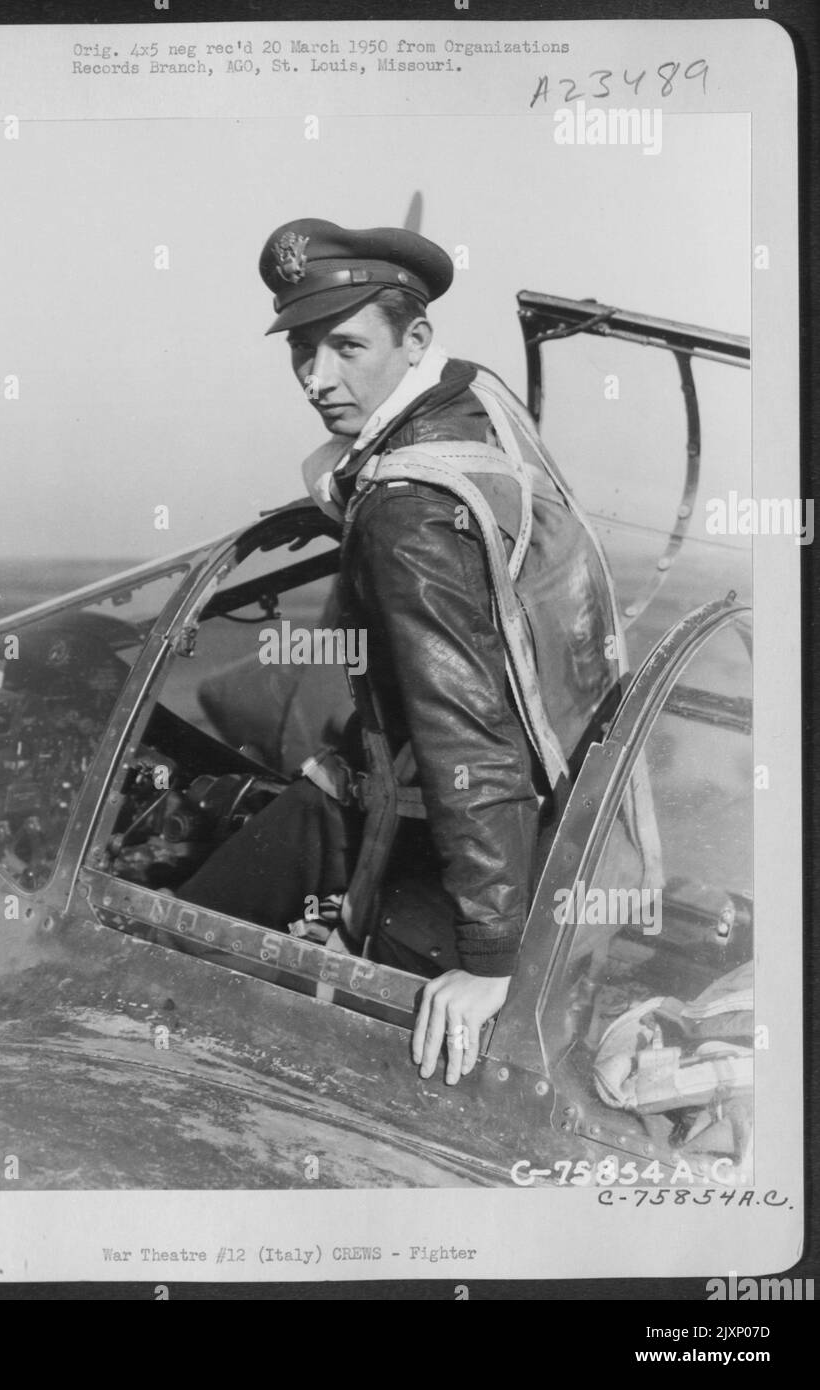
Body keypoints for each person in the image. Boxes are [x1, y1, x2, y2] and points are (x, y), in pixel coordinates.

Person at [179, 218, 625, 1087]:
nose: (317, 379)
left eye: (347, 347)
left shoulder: (408, 512)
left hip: (443, 829)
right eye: (303, 350)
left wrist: (490, 956)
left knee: (159, 950)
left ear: (412, 338)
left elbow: (465, 732)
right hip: (529, 808)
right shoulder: (477, 397)